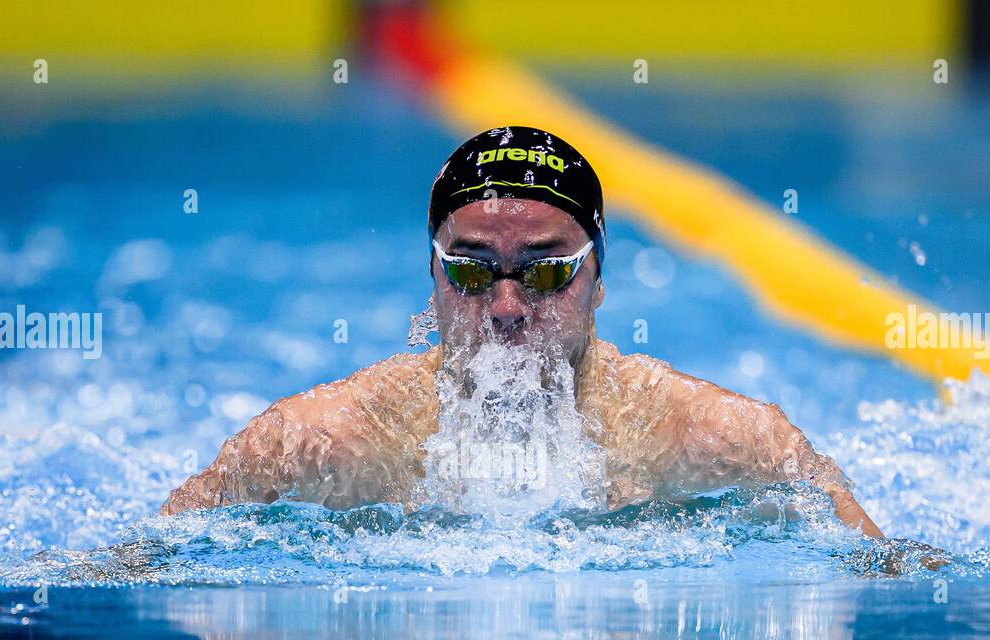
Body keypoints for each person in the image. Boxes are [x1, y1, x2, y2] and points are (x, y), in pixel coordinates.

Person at [162, 126, 884, 539]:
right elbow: (136, 567)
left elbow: (889, 576)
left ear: (599, 281)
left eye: (544, 273)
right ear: (434, 279)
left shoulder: (719, 441)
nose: (506, 307)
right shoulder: (319, 446)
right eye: (473, 272)